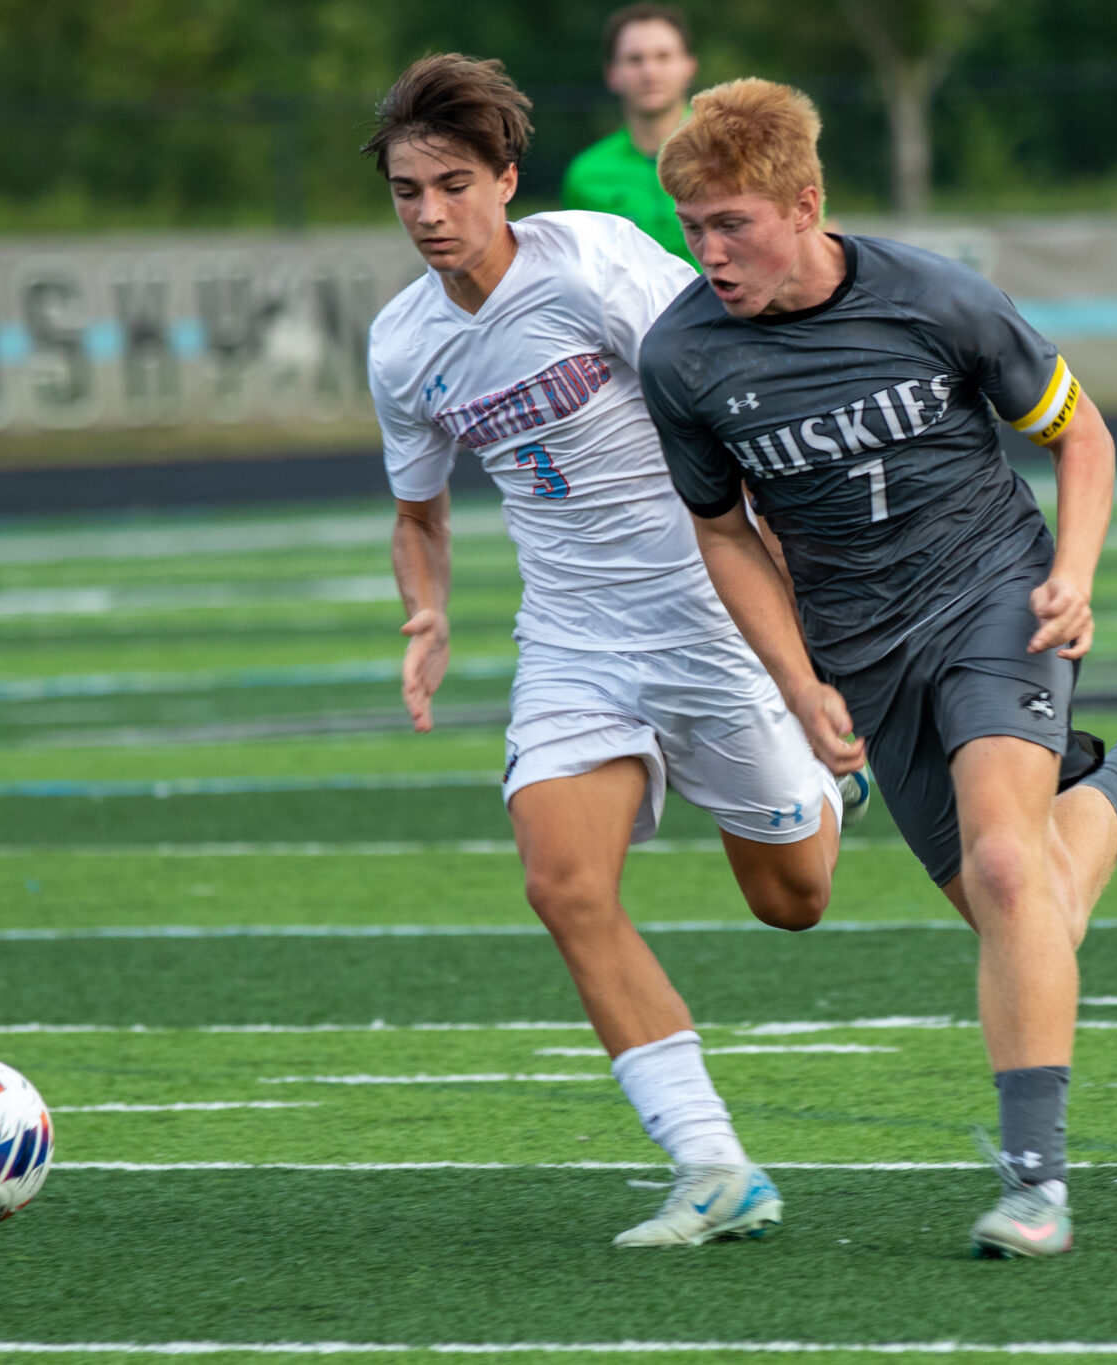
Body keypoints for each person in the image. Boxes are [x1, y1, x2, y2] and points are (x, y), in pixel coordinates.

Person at [636, 79, 1117, 1259]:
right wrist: (796, 680)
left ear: (804, 205)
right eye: (691, 227)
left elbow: (1079, 435)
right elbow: (723, 532)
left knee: (1010, 870)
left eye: (731, 225)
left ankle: (1034, 1186)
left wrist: (1072, 573)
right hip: (858, 652)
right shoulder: (680, 357)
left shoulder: (936, 298)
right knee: (1028, 914)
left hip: (991, 597)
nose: (707, 253)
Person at [362, 54, 872, 1248]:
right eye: (405, 191)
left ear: (505, 180)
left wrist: (804, 596)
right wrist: (427, 612)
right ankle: (711, 1165)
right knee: (562, 885)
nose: (428, 213)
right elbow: (418, 513)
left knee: (791, 902)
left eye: (450, 185)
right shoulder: (398, 346)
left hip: (708, 621)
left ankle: (826, 785)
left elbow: (726, 386)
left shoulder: (590, 261)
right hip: (573, 640)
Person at [561, 3, 698, 260]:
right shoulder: (586, 174)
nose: (649, 71)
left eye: (663, 56)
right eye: (635, 59)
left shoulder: (731, 153)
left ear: (688, 66)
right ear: (612, 74)